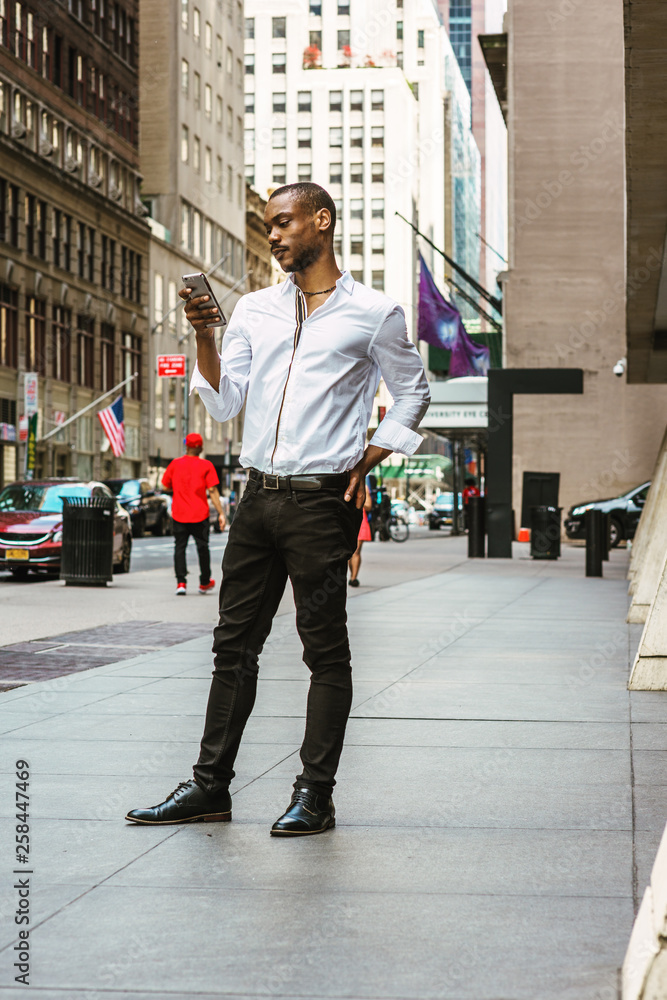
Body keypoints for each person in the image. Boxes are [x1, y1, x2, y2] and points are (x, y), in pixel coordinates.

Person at [125, 182, 430, 836]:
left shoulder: (374, 313)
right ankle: (210, 787)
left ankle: (314, 794)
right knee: (232, 646)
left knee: (324, 652)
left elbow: (412, 394)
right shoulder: (256, 310)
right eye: (269, 225)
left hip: (322, 503)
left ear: (322, 221)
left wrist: (369, 457)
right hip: (257, 500)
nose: (274, 234)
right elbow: (224, 400)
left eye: (285, 222)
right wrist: (207, 333)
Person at [162, 432, 226, 596]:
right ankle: (204, 582)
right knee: (203, 548)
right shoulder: (207, 465)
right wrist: (221, 513)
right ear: (201, 448)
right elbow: (212, 490)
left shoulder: (175, 464)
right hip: (200, 515)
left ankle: (181, 583)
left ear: (187, 446)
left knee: (179, 548)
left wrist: (177, 488)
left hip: (179, 514)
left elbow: (165, 487)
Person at [348, 482, 373, 588]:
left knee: (356, 550)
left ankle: (354, 578)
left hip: (361, 521)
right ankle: (351, 574)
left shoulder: (364, 487)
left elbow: (368, 506)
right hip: (348, 519)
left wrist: (357, 499)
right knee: (349, 552)